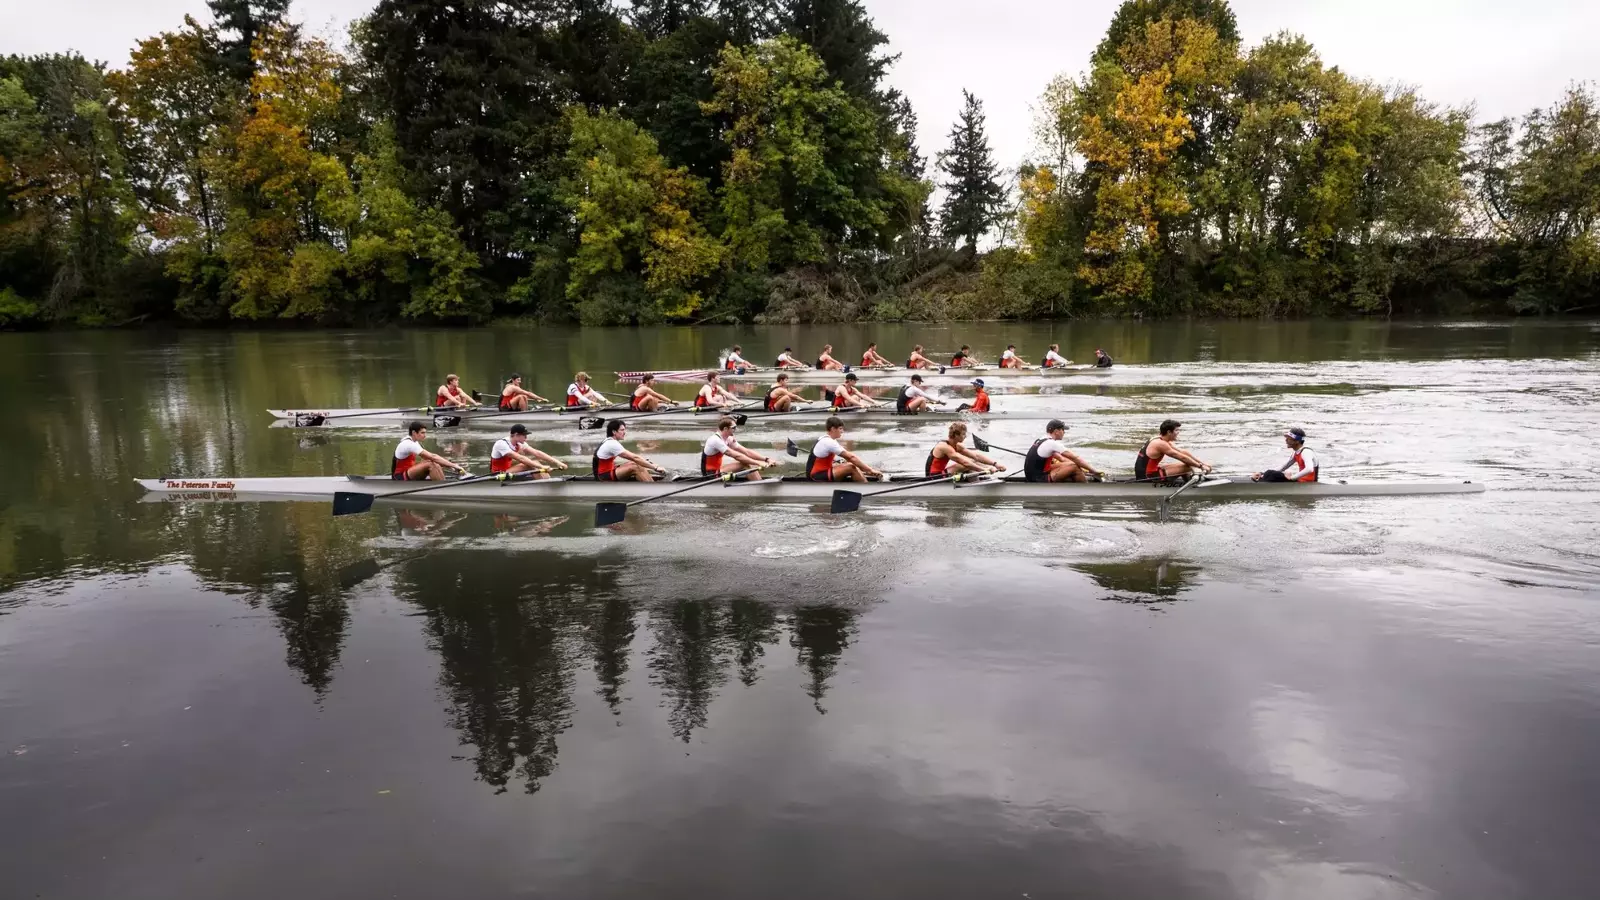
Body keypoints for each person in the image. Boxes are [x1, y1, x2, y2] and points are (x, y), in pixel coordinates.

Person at [1023, 419, 1105, 483]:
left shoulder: (1041, 440)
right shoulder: (1051, 443)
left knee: (1071, 465)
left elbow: (1062, 459)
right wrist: (1093, 471)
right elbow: (1075, 458)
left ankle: (1077, 480)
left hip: (1033, 474)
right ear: (1056, 431)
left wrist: (1083, 469)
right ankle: (1087, 489)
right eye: (1062, 429)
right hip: (1038, 478)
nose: (1064, 432)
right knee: (1074, 467)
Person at [807, 416, 882, 483]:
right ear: (833, 429)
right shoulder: (828, 442)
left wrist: (864, 468)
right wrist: (869, 470)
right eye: (840, 429)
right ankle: (867, 488)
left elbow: (848, 457)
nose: (842, 431)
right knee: (851, 467)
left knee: (848, 464)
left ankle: (861, 480)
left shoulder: (828, 439)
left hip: (821, 472)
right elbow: (851, 457)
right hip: (816, 476)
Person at [1135, 419, 1213, 483]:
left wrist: (1202, 463)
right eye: (1176, 430)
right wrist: (1201, 466)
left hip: (1147, 472)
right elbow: (1182, 458)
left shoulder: (1159, 439)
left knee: (1188, 463)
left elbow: (1183, 452)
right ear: (1169, 432)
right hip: (1147, 477)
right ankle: (1192, 483)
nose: (1178, 432)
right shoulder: (1160, 444)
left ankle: (1189, 481)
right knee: (1188, 465)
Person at [702, 417, 779, 479]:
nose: (736, 429)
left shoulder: (728, 439)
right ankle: (759, 487)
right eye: (734, 427)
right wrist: (758, 463)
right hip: (710, 474)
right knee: (746, 464)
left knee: (751, 464)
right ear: (725, 429)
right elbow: (737, 456)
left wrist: (766, 459)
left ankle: (756, 482)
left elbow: (746, 452)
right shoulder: (715, 440)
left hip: (718, 469)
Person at [392, 421, 467, 481]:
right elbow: (433, 457)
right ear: (414, 433)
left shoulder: (415, 442)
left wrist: (448, 465)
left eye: (425, 433)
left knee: (433, 462)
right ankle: (443, 488)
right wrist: (453, 465)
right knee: (431, 464)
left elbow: (428, 458)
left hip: (409, 472)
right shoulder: (408, 444)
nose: (425, 435)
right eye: (422, 433)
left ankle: (442, 483)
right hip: (400, 477)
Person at [926, 422, 1003, 477]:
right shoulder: (944, 447)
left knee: (972, 461)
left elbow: (976, 456)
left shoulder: (957, 445)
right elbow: (965, 463)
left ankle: (976, 483)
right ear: (956, 435)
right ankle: (976, 484)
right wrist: (985, 470)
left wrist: (995, 464)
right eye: (963, 434)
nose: (965, 436)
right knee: (964, 465)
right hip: (933, 477)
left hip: (942, 473)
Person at [490, 424, 567, 479]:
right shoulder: (501, 444)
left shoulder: (519, 443)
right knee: (528, 465)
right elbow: (521, 458)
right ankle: (544, 485)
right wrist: (542, 467)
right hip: (499, 474)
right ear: (516, 435)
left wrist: (558, 462)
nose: (526, 438)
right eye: (524, 435)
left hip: (510, 470)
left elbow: (537, 453)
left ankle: (547, 481)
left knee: (536, 462)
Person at [594, 419, 661, 482]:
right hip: (604, 477)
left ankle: (649, 482)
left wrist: (645, 463)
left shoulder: (608, 440)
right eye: (622, 430)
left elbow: (635, 458)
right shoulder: (611, 444)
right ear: (614, 431)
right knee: (635, 467)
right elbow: (635, 458)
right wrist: (655, 467)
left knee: (636, 463)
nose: (624, 432)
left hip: (608, 471)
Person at [1253, 427, 1318, 483]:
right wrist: (1263, 473)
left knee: (1270, 474)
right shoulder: (1296, 452)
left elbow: (1309, 469)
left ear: (1297, 441)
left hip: (1308, 483)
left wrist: (1292, 477)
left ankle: (1260, 479)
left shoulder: (1306, 452)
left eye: (1289, 438)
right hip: (1300, 480)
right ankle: (1261, 476)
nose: (1286, 440)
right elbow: (1283, 467)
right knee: (1269, 473)